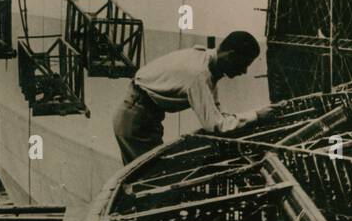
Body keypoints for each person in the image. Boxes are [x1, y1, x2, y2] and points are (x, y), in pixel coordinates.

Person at [113, 30, 270, 164]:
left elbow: (216, 115)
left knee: (149, 177)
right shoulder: (199, 75)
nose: (244, 71)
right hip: (137, 120)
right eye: (244, 64)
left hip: (139, 114)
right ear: (230, 56)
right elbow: (217, 126)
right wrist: (257, 115)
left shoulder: (204, 60)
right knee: (149, 180)